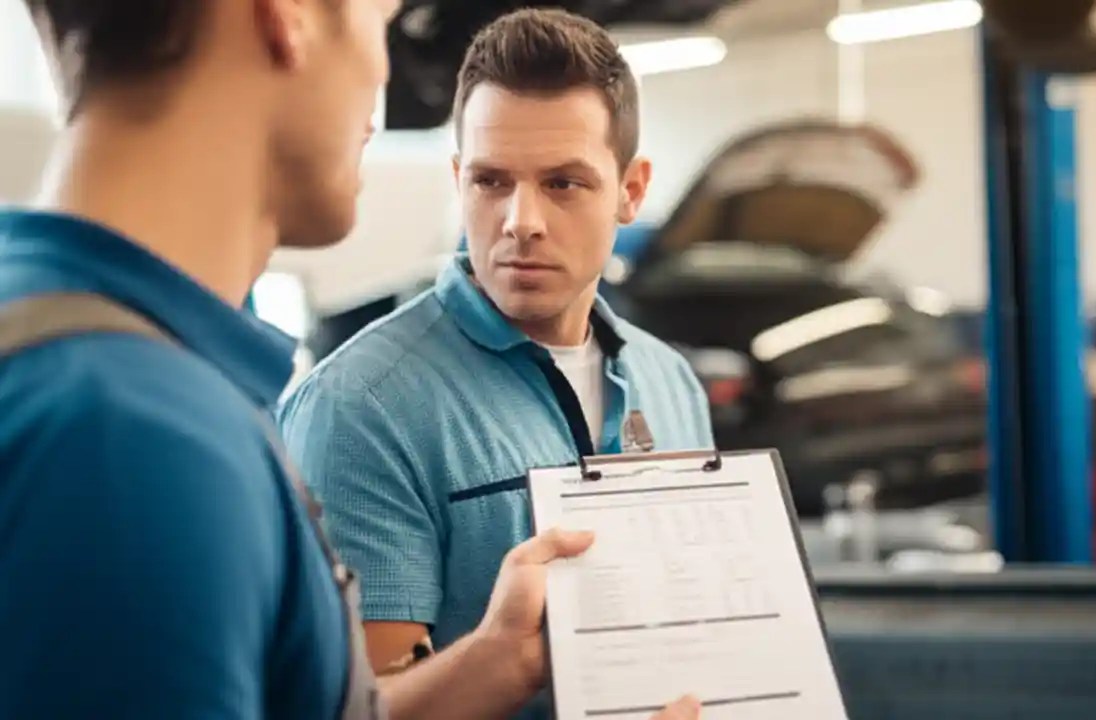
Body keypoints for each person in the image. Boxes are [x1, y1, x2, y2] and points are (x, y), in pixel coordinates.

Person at [0, 1, 698, 719]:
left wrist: (500, 659)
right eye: (378, 17)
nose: (381, 88)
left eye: (563, 182)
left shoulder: (158, 395)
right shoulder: (127, 436)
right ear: (287, 16)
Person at [277, 6, 716, 710]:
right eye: (491, 181)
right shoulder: (361, 408)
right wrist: (496, 661)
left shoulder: (671, 384)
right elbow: (355, 708)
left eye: (563, 183)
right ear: (459, 179)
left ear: (630, 191)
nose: (521, 221)